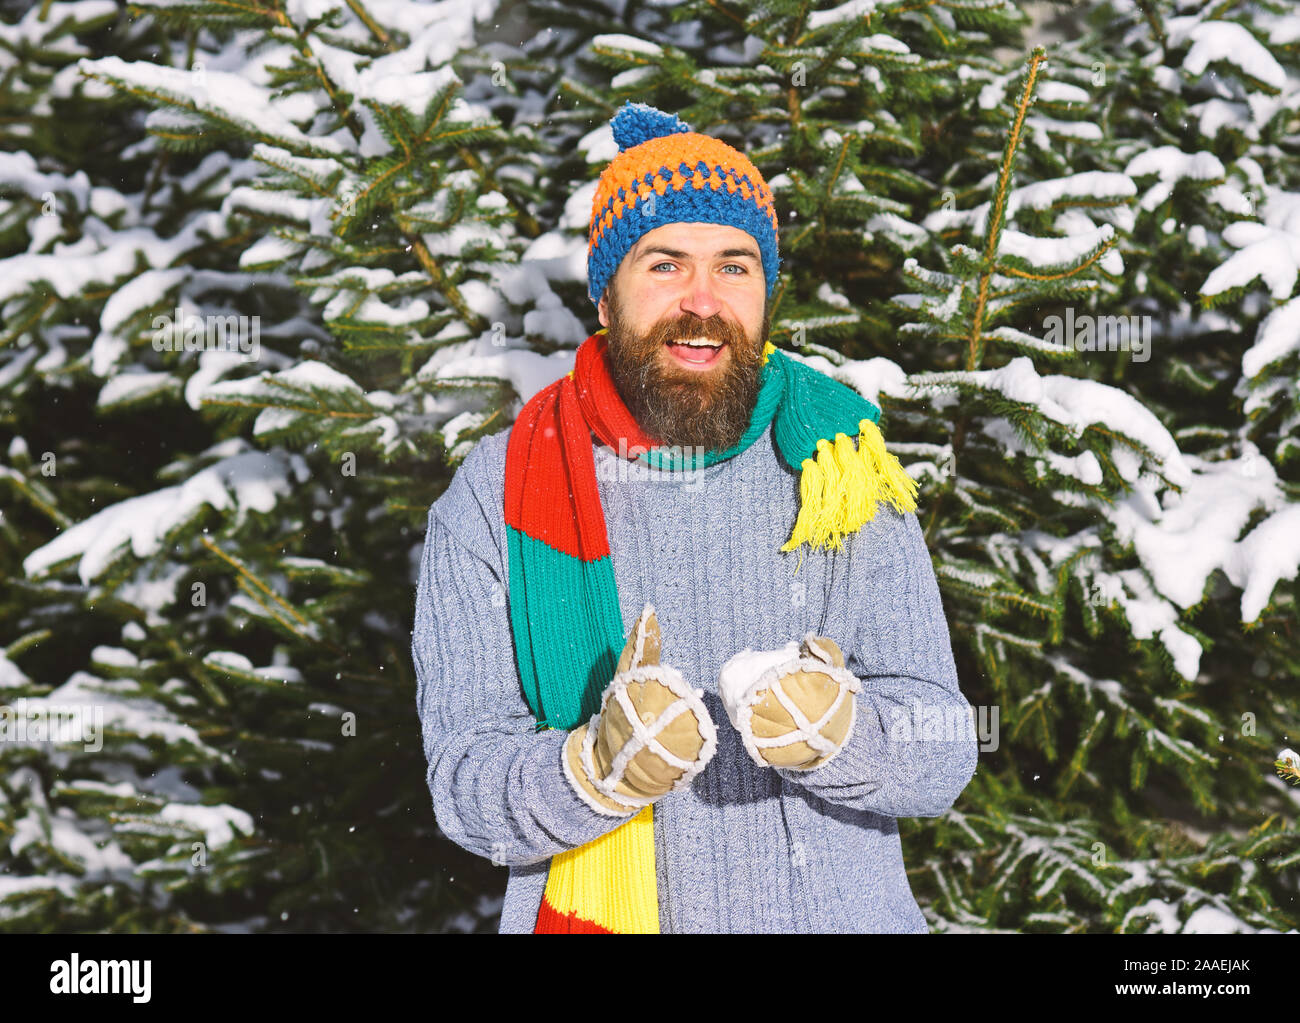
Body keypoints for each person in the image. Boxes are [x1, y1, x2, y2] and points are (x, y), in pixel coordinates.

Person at [412, 101, 978, 933]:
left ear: (766, 293)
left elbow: (945, 747)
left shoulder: (838, 466)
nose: (703, 301)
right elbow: (466, 785)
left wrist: (844, 733)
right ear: (606, 296)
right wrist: (590, 769)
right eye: (666, 264)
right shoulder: (494, 495)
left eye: (735, 267)